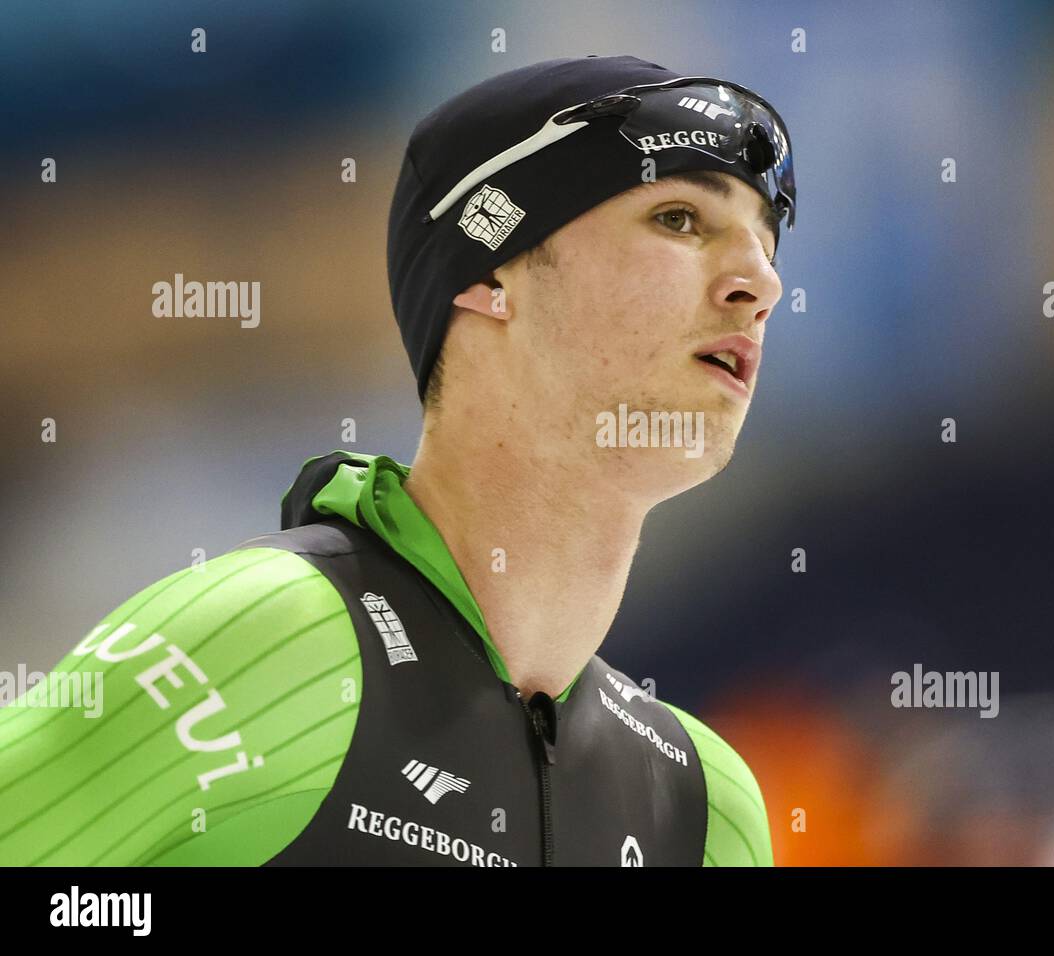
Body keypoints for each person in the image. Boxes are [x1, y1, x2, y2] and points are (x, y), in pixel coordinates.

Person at [0, 53, 796, 867]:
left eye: (767, 244)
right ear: (490, 276)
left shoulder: (705, 811)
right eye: (678, 219)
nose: (760, 284)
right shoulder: (266, 643)